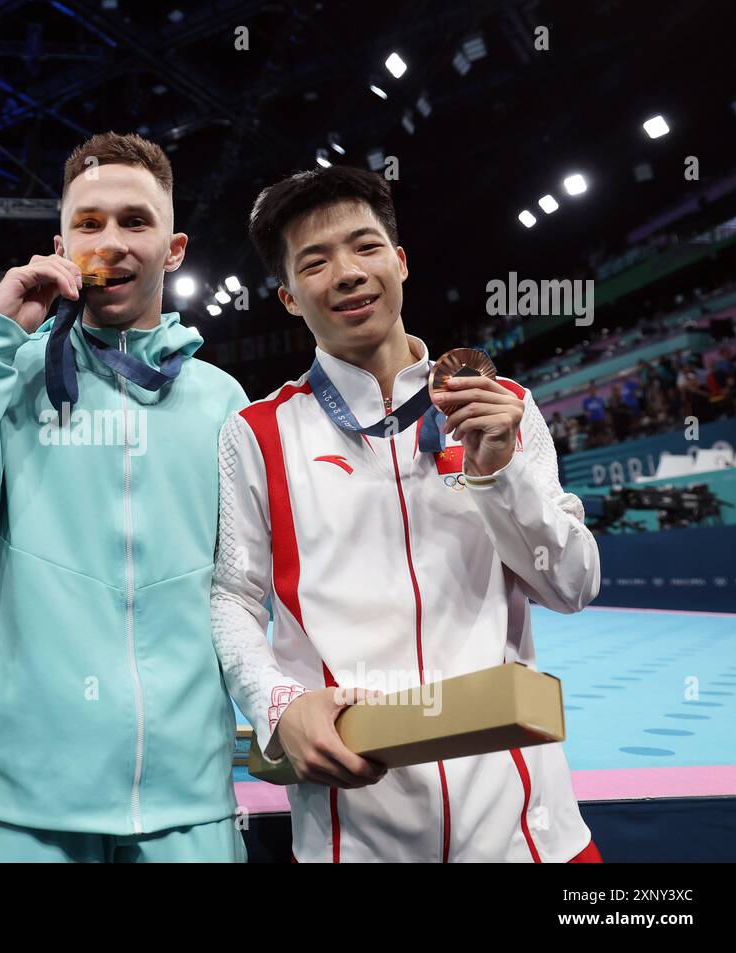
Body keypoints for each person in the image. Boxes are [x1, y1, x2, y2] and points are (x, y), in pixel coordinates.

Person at [212, 165, 603, 861]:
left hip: (528, 831)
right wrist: (276, 705)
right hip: (354, 829)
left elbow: (572, 585)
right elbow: (233, 596)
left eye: (365, 247)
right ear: (289, 297)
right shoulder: (258, 431)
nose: (348, 272)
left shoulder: (503, 403)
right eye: (316, 261)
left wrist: (501, 471)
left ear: (399, 261)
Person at [0, 132, 249, 862]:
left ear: (175, 247)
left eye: (136, 221)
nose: (112, 241)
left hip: (187, 805)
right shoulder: (5, 377)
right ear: (59, 243)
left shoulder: (223, 402)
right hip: (18, 804)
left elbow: (246, 593)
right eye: (89, 223)